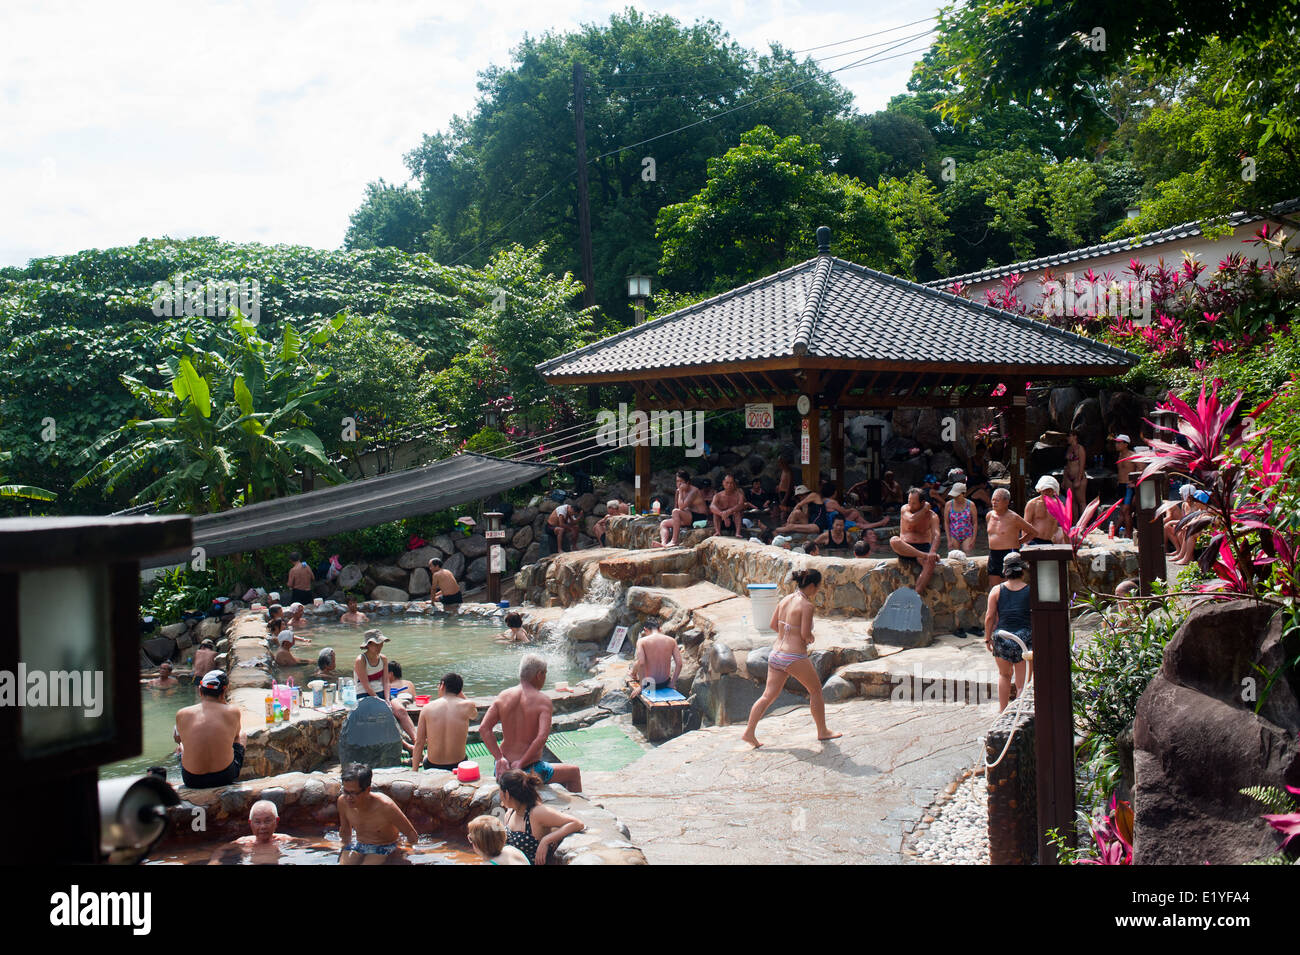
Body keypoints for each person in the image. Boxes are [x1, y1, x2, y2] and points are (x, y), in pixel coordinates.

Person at [741, 568, 840, 748]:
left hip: (775, 654)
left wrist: (788, 634)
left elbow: (773, 625)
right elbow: (804, 634)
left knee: (767, 696)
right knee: (816, 690)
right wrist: (810, 638)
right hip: (793, 656)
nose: (817, 591)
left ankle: (749, 732)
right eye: (817, 587)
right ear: (811, 586)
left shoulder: (785, 599)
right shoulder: (807, 605)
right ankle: (822, 731)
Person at [480, 654, 582, 792]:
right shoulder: (543, 701)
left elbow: (484, 729)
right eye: (545, 674)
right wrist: (521, 763)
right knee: (573, 772)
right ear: (539, 675)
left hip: (504, 768)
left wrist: (499, 758)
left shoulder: (503, 696)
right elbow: (542, 737)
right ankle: (579, 810)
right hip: (530, 770)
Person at [496, 769, 586, 865]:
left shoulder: (536, 813)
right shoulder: (510, 812)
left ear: (507, 794)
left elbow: (577, 823)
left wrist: (546, 840)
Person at [338, 763, 420, 864]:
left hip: (383, 847)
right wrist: (343, 848)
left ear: (367, 790)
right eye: (345, 792)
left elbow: (411, 833)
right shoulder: (342, 802)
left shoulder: (385, 806)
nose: (348, 797)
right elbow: (345, 831)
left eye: (353, 793)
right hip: (359, 844)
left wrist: (407, 854)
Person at [175, 670, 245, 788]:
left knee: (181, 746)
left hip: (191, 780)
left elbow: (178, 738)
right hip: (224, 777)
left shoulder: (182, 713)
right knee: (242, 735)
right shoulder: (233, 711)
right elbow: (235, 737)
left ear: (200, 690)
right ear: (224, 690)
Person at [983, 552, 1033, 712]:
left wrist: (987, 639)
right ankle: (1019, 714)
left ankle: (1002, 711)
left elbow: (990, 617)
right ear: (1023, 570)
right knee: (1022, 682)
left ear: (1005, 571)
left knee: (1004, 675)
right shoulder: (1031, 591)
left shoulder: (996, 591)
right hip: (1024, 640)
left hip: (1002, 637)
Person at [354, 631, 418, 741]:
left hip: (382, 692)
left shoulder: (383, 659)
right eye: (376, 644)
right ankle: (405, 745)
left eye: (381, 643)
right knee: (383, 714)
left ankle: (416, 740)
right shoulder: (361, 660)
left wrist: (387, 699)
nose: (379, 647)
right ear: (368, 645)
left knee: (400, 710)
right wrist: (380, 700)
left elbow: (386, 682)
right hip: (365, 694)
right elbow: (366, 685)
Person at [412, 673, 477, 771]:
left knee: (426, 755)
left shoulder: (427, 708)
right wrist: (460, 693)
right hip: (458, 764)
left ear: (442, 685)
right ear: (460, 689)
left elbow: (419, 742)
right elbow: (474, 715)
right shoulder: (468, 706)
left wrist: (414, 771)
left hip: (433, 765)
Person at [890, 488, 941, 593]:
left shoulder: (932, 516)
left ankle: (917, 593)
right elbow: (911, 521)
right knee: (894, 540)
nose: (910, 505)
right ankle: (925, 555)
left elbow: (936, 535)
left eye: (914, 503)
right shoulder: (905, 509)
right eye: (909, 501)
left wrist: (932, 551)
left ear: (922, 502)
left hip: (922, 547)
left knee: (930, 563)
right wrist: (924, 510)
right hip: (905, 548)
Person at [210, 799, 292, 864]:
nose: (263, 826)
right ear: (250, 823)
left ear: (276, 821)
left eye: (267, 821)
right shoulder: (243, 842)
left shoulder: (284, 840)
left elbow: (304, 843)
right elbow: (221, 849)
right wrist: (214, 861)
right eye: (257, 822)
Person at [985, 488, 1038, 587]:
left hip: (1009, 552)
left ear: (1006, 502)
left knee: (1010, 586)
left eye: (997, 500)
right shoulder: (989, 515)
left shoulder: (1013, 517)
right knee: (994, 586)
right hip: (993, 554)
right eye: (993, 500)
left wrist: (1020, 541)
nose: (994, 502)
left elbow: (1033, 532)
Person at [656, 471, 707, 547]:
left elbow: (681, 507)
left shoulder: (694, 491)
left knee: (676, 512)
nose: (679, 484)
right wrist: (675, 520)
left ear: (687, 482)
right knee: (664, 523)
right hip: (688, 516)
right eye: (677, 481)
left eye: (681, 481)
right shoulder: (679, 491)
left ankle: (674, 540)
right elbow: (676, 506)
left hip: (699, 517)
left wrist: (681, 492)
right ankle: (663, 543)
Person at [629, 627, 682, 699]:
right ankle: (633, 673)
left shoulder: (642, 641)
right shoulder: (672, 641)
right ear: (660, 629)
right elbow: (679, 664)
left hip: (649, 685)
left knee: (639, 661)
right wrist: (672, 683)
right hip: (665, 683)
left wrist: (641, 686)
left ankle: (633, 674)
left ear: (645, 629)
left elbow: (641, 663)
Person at [1024, 475, 1065, 545]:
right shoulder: (1033, 504)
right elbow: (1025, 525)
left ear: (1053, 491)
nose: (1046, 492)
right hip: (1034, 540)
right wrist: (1025, 543)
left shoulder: (1058, 505)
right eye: (1044, 490)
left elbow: (1064, 525)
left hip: (1050, 541)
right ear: (1040, 490)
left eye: (1049, 490)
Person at [944, 483, 978, 555]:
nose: (955, 497)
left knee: (968, 554)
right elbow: (946, 523)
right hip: (954, 534)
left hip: (967, 534)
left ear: (964, 494)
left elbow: (975, 523)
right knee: (954, 556)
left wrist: (973, 539)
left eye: (957, 495)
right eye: (954, 495)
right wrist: (949, 540)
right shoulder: (948, 505)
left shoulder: (971, 505)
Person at [1114, 434, 1136, 532]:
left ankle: (1126, 534)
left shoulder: (1132, 455)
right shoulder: (1119, 456)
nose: (1116, 445)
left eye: (1119, 443)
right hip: (1121, 485)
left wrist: (1135, 483)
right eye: (1116, 442)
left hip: (1128, 486)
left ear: (1125, 444)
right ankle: (1117, 532)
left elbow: (1141, 468)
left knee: (1125, 511)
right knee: (1123, 512)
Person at [1064, 431, 1087, 521]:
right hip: (1069, 478)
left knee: (1081, 501)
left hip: (1079, 477)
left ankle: (1083, 523)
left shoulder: (1080, 448)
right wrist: (1064, 479)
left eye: (1069, 436)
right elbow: (1067, 465)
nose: (1067, 438)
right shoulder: (1069, 448)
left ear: (1075, 436)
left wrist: (1078, 478)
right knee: (1072, 501)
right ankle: (1074, 522)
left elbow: (1082, 465)